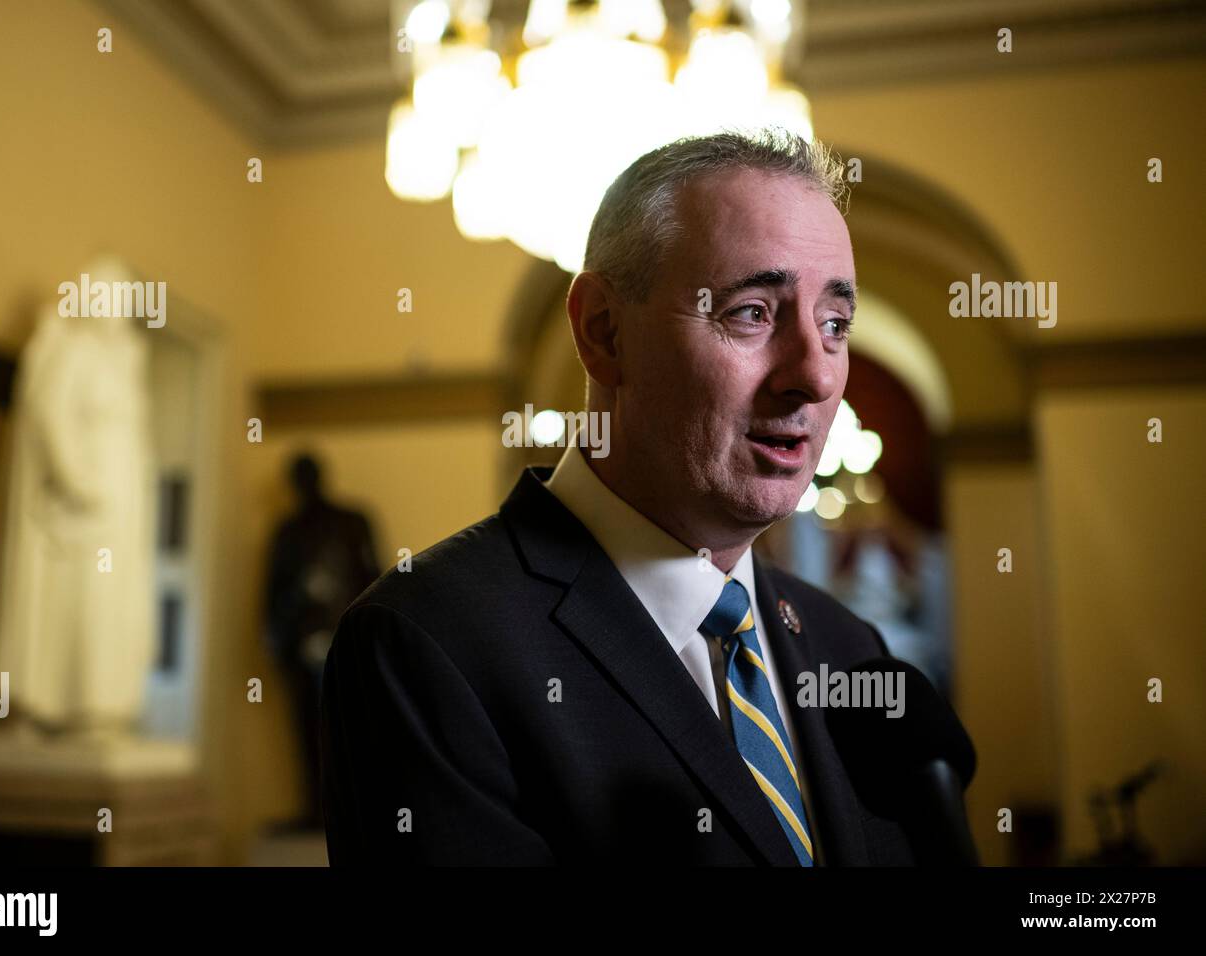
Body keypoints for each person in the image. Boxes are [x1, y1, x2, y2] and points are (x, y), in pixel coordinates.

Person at [322, 129, 969, 864]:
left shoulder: (850, 649)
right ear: (602, 331)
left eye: (835, 325)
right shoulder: (425, 644)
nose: (816, 377)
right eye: (752, 312)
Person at [266, 454, 380, 829]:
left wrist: (371, 639)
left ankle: (357, 810)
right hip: (303, 648)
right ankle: (318, 812)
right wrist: (281, 643)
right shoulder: (287, 531)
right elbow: (274, 593)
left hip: (346, 644)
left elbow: (374, 578)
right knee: (308, 733)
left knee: (353, 730)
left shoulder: (352, 522)